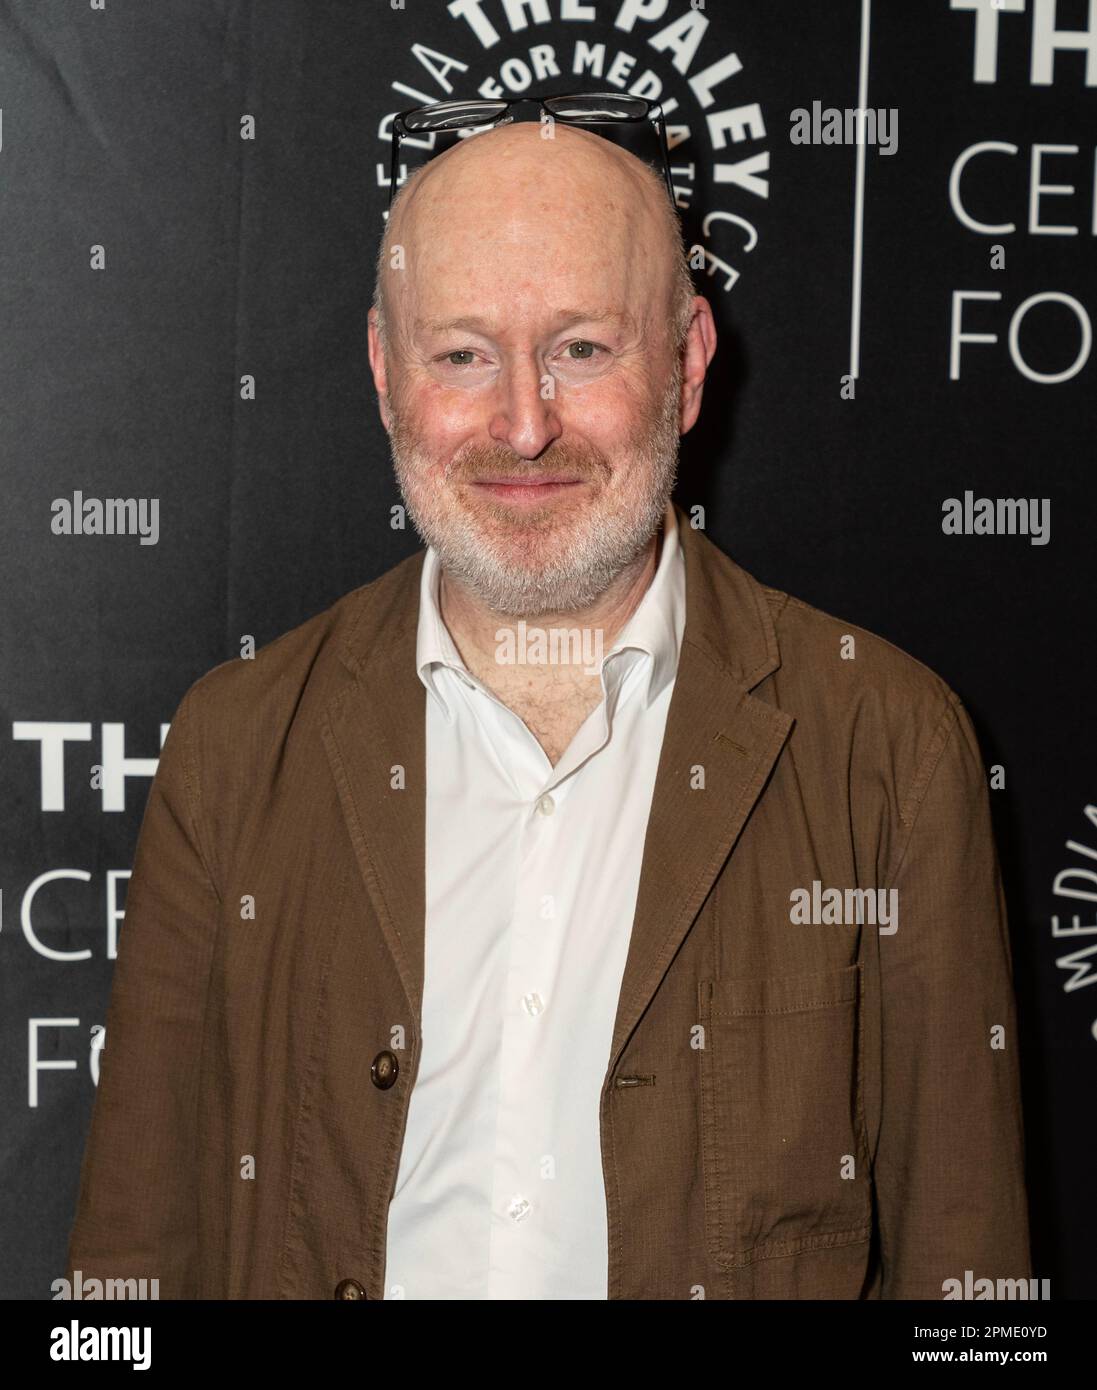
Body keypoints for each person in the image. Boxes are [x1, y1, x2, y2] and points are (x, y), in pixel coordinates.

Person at [66, 119, 1030, 1300]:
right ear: (383, 372)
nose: (523, 425)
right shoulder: (233, 744)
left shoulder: (888, 750)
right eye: (462, 355)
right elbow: (125, 1276)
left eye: (580, 348)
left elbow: (967, 1284)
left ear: (684, 363)